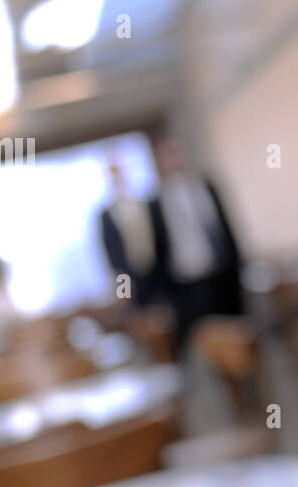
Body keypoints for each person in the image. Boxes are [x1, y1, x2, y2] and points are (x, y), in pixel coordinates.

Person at [149, 136, 243, 347]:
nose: (173, 161)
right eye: (167, 158)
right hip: (188, 280)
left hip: (221, 271)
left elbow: (226, 227)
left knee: (233, 330)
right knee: (205, 336)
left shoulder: (205, 187)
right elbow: (160, 246)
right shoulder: (157, 202)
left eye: (175, 155)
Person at [100, 161, 159, 307]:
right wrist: (123, 291)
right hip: (130, 278)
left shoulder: (143, 205)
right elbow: (113, 258)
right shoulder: (106, 216)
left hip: (155, 274)